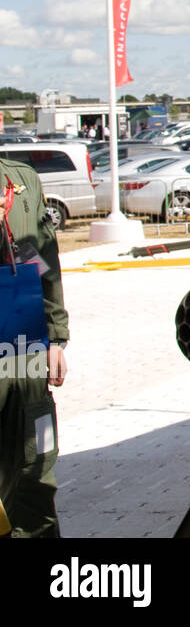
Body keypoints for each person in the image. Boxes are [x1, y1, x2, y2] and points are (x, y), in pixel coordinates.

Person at [0, 153, 67, 537]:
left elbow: (42, 257)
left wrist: (56, 335)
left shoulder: (21, 180)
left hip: (22, 351)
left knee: (35, 468)